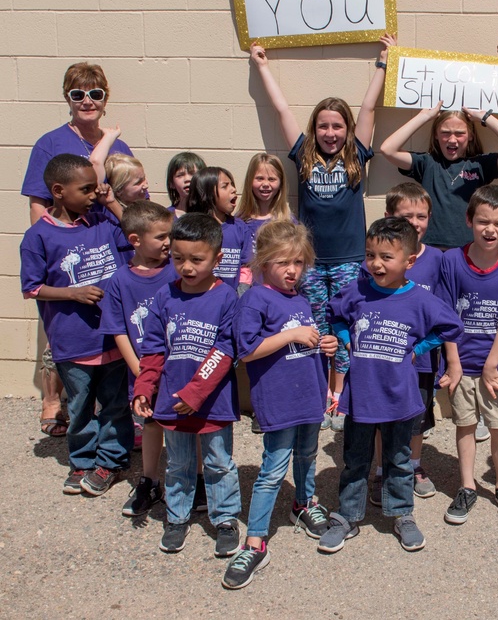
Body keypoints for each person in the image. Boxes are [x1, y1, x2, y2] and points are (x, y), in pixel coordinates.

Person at [249, 35, 393, 421]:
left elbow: (368, 108)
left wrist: (381, 64)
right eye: (324, 126)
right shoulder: (303, 155)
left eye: (338, 126)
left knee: (343, 325)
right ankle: (315, 388)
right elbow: (281, 110)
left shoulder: (357, 156)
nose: (331, 133)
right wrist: (263, 66)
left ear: (347, 129)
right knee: (313, 323)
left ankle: (337, 394)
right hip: (309, 261)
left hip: (348, 259)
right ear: (315, 129)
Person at [318, 217, 463, 554]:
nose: (376, 263)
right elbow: (334, 312)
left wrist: (419, 350)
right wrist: (345, 339)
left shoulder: (420, 300)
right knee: (355, 459)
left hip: (399, 397)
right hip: (361, 397)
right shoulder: (358, 291)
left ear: (409, 261)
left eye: (386, 256)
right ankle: (347, 516)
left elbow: (451, 326)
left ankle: (401, 513)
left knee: (399, 459)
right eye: (370, 255)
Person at [222, 221, 338, 589]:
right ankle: (255, 541)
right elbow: (248, 350)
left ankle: (303, 504)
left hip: (308, 397)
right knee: (273, 470)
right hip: (278, 401)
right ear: (262, 262)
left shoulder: (301, 300)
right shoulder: (255, 298)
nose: (292, 270)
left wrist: (323, 345)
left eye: (299, 263)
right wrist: (291, 334)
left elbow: (302, 346)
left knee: (307, 455)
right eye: (283, 262)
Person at [20, 154, 131, 494]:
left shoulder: (102, 222)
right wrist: (73, 293)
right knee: (81, 405)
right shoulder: (38, 237)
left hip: (112, 338)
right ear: (58, 191)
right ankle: (82, 460)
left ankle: (111, 461)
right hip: (74, 340)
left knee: (115, 404)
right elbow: (32, 288)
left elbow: (138, 231)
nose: (92, 194)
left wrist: (110, 202)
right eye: (85, 189)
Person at [132, 213, 242, 557]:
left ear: (217, 258)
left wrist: (195, 393)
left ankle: (224, 520)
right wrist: (144, 387)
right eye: (178, 258)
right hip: (171, 401)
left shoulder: (227, 298)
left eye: (197, 259)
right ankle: (177, 518)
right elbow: (153, 348)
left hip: (212, 403)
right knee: (178, 463)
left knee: (219, 462)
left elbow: (226, 349)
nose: (187, 267)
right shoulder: (165, 297)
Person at [437, 185, 498, 525]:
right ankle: (466, 486)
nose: (490, 229)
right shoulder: (451, 261)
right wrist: (454, 362)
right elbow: (446, 314)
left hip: (496, 366)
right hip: (462, 363)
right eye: (483, 221)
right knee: (465, 425)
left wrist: (492, 364)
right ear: (469, 220)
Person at [98, 201, 178, 516]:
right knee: (151, 424)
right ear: (135, 240)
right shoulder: (120, 280)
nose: (168, 242)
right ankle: (149, 481)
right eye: (160, 237)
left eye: (169, 235)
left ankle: (193, 480)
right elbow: (118, 330)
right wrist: (142, 373)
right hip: (145, 372)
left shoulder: (176, 271)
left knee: (185, 427)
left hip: (180, 369)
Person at [369, 183, 445, 503]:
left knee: (417, 417)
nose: (414, 222)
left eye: (421, 215)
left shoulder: (439, 259)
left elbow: (443, 316)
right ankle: (379, 468)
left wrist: (420, 349)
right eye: (406, 215)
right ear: (388, 216)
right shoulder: (375, 260)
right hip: (383, 359)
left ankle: (413, 466)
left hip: (420, 359)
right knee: (380, 416)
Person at [379, 103, 498, 249]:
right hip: (429, 248)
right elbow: (388, 149)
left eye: (460, 133)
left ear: (470, 136)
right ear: (436, 135)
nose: (452, 139)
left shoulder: (480, 165)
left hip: (467, 250)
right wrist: (423, 116)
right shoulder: (427, 163)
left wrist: (485, 117)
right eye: (445, 132)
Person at [22, 63, 133, 225]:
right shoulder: (50, 144)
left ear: (105, 100)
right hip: (70, 241)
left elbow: (138, 200)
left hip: (116, 239)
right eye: (78, 95)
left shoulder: (120, 147)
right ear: (68, 99)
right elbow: (38, 206)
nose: (87, 102)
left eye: (95, 94)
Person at [186, 166, 253, 293]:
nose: (233, 189)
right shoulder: (191, 228)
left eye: (232, 185)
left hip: (233, 300)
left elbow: (246, 266)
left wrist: (241, 293)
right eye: (225, 186)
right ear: (207, 194)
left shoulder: (240, 228)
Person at [235, 152, 295, 247]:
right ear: (249, 181)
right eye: (260, 178)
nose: (266, 184)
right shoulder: (239, 221)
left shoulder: (288, 221)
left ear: (281, 184)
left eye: (271, 179)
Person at [165, 152, 205, 217]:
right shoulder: (165, 218)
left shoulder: (215, 215)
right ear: (171, 183)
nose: (187, 179)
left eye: (192, 174)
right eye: (180, 175)